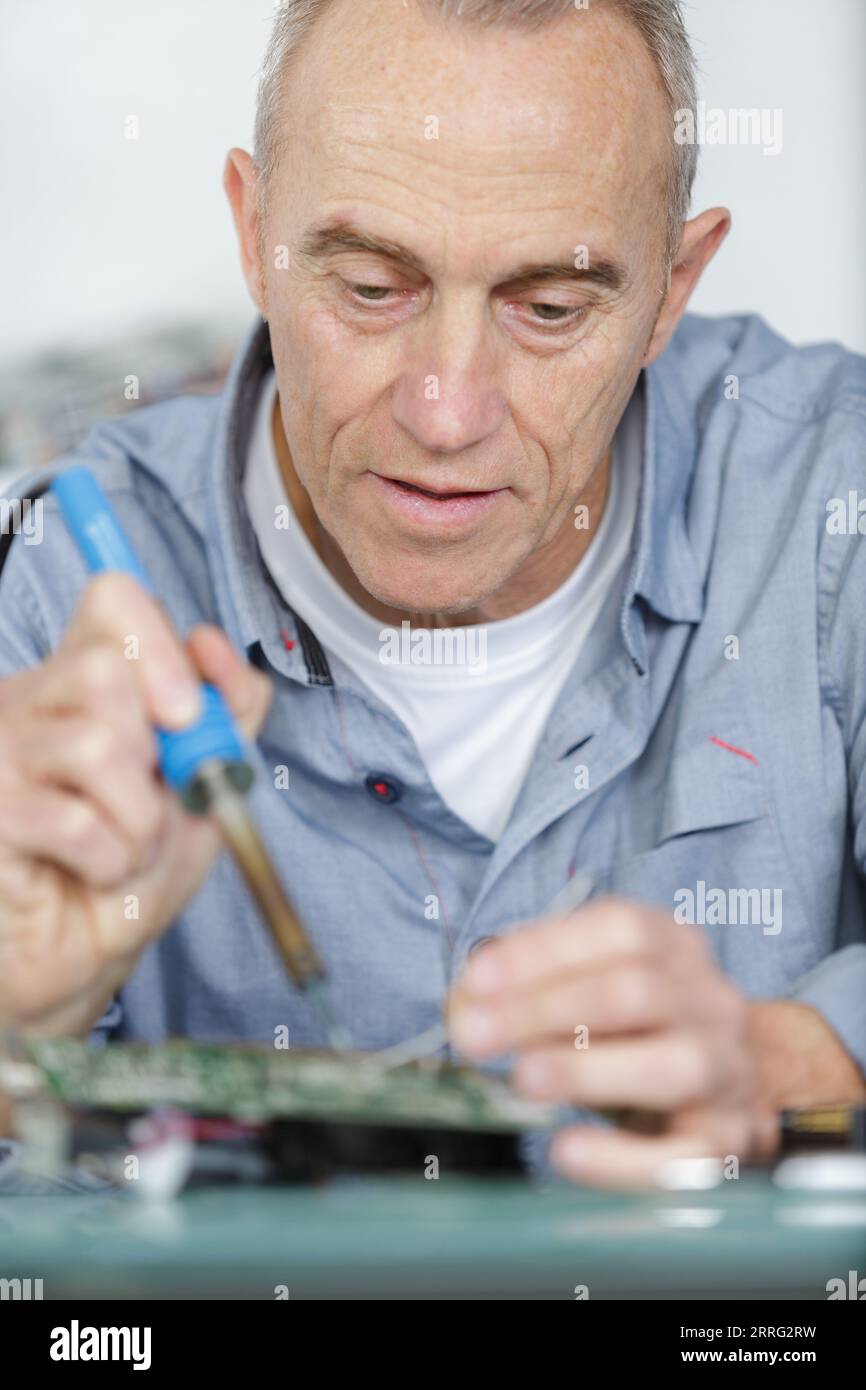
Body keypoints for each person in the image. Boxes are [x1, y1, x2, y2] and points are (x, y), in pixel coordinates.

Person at [1, 0, 864, 1189]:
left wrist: (801, 1061)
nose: (446, 411)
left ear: (671, 289)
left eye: (549, 309)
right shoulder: (47, 589)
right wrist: (19, 1028)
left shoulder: (835, 501)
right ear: (255, 236)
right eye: (368, 288)